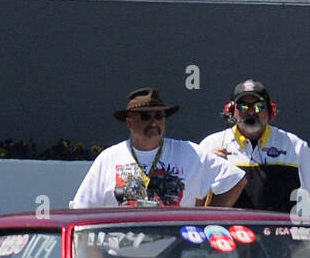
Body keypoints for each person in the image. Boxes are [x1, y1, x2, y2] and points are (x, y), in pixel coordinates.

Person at [70, 88, 247, 209]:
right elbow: (82, 210)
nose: (154, 122)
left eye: (159, 116)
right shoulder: (109, 158)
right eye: (145, 116)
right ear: (129, 122)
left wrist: (207, 222)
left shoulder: (189, 152)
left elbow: (235, 180)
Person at [198, 79, 310, 219]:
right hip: (224, 239)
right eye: (243, 107)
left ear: (270, 110)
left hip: (278, 240)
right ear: (230, 110)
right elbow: (192, 200)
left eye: (258, 106)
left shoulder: (294, 146)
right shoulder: (210, 145)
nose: (251, 112)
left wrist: (307, 230)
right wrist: (207, 167)